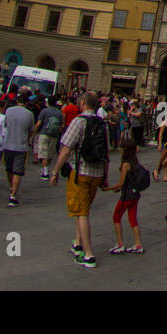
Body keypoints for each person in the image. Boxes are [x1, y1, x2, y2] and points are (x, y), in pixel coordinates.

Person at [50, 91, 111, 269]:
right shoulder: (102, 123)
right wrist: (105, 177)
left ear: (83, 102)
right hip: (97, 173)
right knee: (83, 207)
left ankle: (89, 254)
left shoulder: (79, 121)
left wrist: (55, 171)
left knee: (82, 212)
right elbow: (106, 153)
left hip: (81, 172)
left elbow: (66, 149)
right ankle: (77, 243)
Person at [104, 137, 146, 255]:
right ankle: (138, 244)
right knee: (133, 218)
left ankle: (120, 244)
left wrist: (108, 188)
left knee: (116, 216)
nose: (119, 150)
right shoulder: (135, 162)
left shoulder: (125, 165)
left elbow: (121, 183)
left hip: (126, 196)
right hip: (135, 194)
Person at [2, 88, 36, 207]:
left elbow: (5, 124)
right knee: (18, 171)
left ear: (17, 101)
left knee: (9, 168)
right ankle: (13, 195)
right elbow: (31, 131)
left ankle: (11, 186)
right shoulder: (29, 114)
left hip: (7, 143)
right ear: (27, 103)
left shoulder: (9, 111)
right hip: (21, 146)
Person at [33, 96, 64, 181]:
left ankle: (45, 172)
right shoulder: (59, 113)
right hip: (54, 135)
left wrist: (34, 132)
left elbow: (39, 123)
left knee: (44, 153)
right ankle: (45, 168)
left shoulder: (44, 111)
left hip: (44, 133)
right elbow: (61, 126)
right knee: (50, 153)